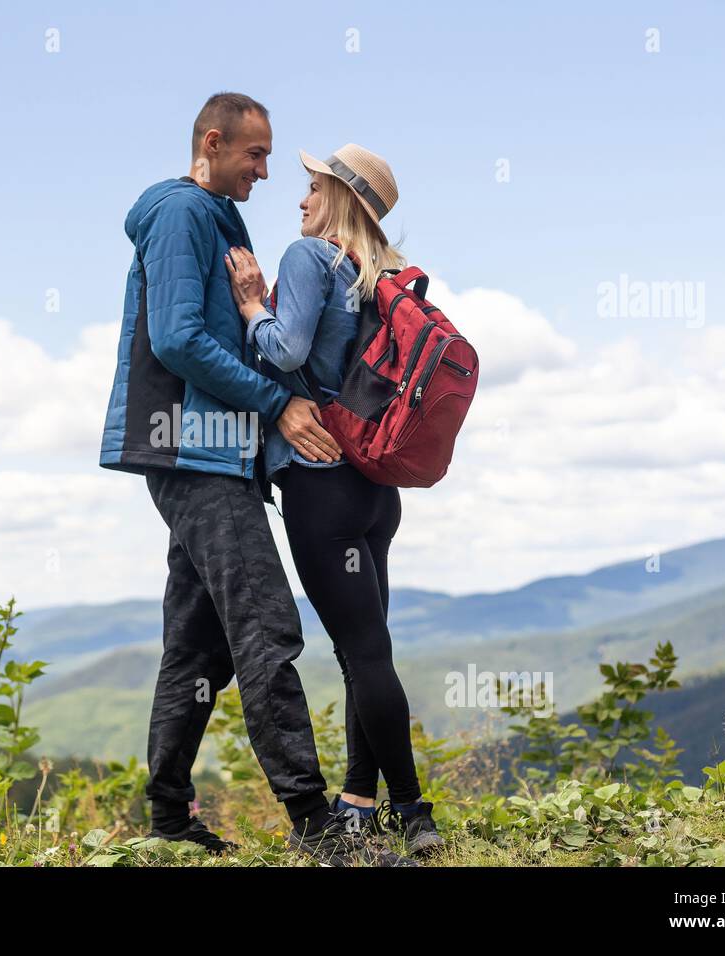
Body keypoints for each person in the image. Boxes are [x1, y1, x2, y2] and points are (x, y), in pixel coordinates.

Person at [99, 95, 412, 866]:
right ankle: (315, 826)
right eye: (256, 155)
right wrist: (280, 402)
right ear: (213, 142)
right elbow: (176, 339)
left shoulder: (221, 219)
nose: (268, 173)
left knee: (198, 647)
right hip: (189, 447)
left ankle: (168, 820)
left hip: (219, 448)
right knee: (269, 628)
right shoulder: (179, 212)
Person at [223, 143, 444, 858]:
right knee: (368, 653)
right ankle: (358, 799)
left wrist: (254, 306)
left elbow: (285, 352)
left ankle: (413, 813)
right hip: (375, 492)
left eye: (312, 187)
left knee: (363, 657)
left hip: (322, 486)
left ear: (339, 197)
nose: (301, 200)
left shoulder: (307, 257)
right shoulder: (375, 276)